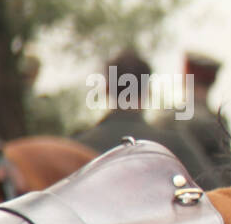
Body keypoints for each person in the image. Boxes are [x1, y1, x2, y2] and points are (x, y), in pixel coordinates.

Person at [75, 48, 211, 180]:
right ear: (148, 91)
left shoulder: (76, 146)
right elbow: (214, 192)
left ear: (107, 89)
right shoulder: (173, 147)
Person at [153, 52, 231, 189]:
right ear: (212, 82)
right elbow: (229, 175)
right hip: (212, 198)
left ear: (186, 78)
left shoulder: (169, 120)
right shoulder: (219, 122)